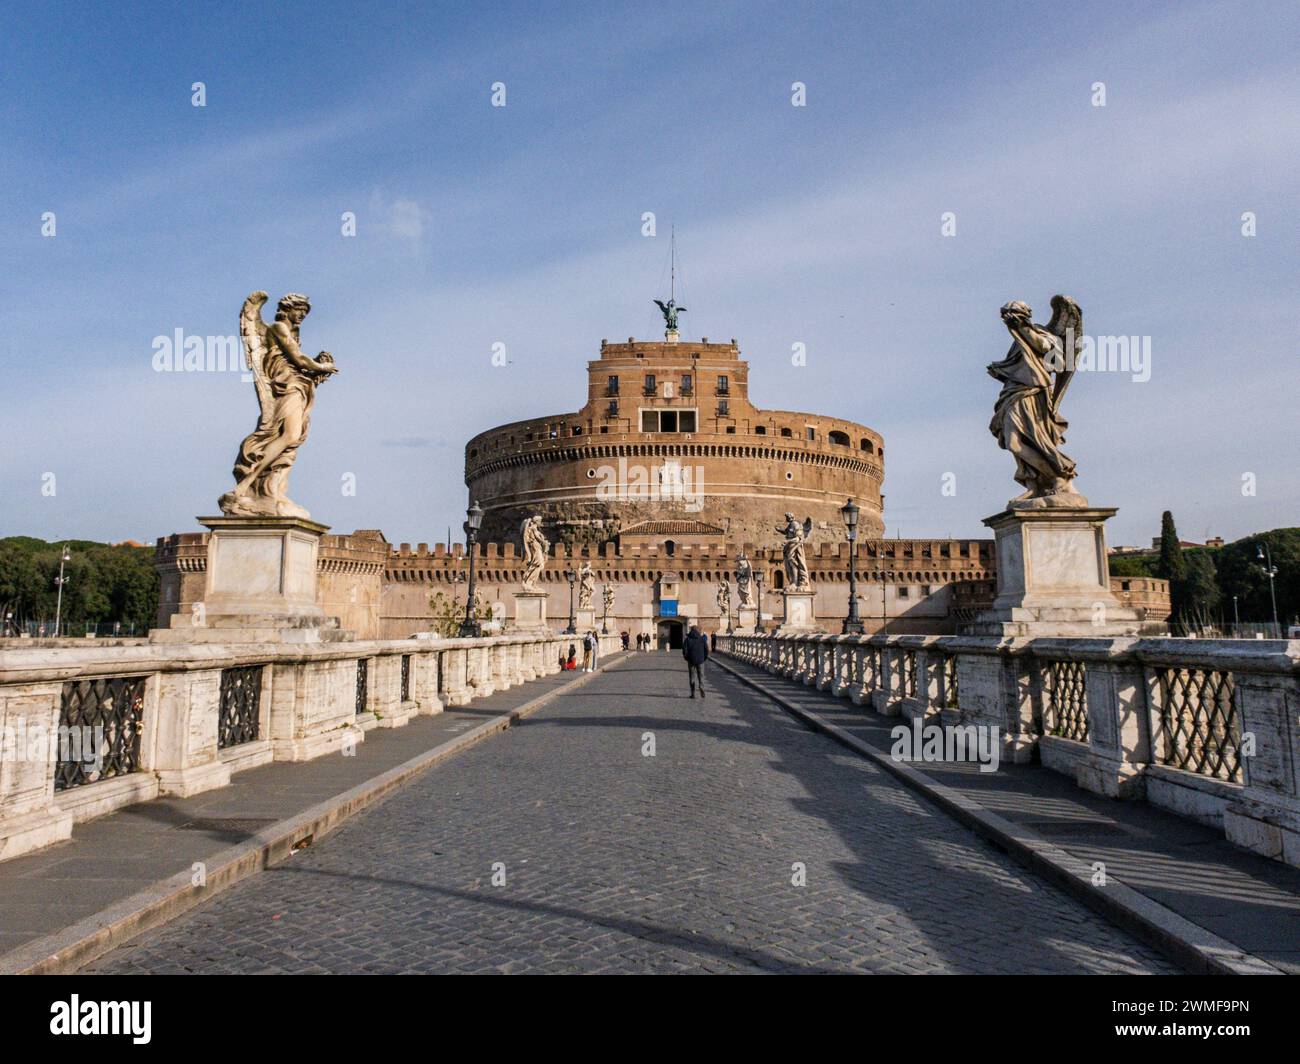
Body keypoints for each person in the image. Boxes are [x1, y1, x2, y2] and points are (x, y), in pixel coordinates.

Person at [682, 624, 709, 698]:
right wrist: (704, 658)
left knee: (692, 677)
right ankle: (701, 687)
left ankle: (693, 693)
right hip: (701, 660)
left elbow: (684, 650)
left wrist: (687, 658)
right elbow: (706, 649)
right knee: (701, 676)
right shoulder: (701, 639)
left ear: (691, 630)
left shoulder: (687, 639)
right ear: (697, 630)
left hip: (691, 661)